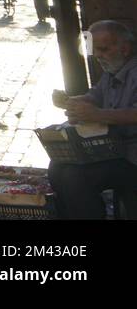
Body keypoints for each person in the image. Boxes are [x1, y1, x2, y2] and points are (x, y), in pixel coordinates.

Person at [47, 21, 137, 219]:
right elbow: (94, 96)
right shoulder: (112, 72)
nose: (98, 56)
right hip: (117, 149)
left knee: (76, 178)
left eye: (104, 49)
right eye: (95, 51)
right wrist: (72, 102)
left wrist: (96, 115)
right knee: (58, 166)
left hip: (132, 157)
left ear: (125, 48)